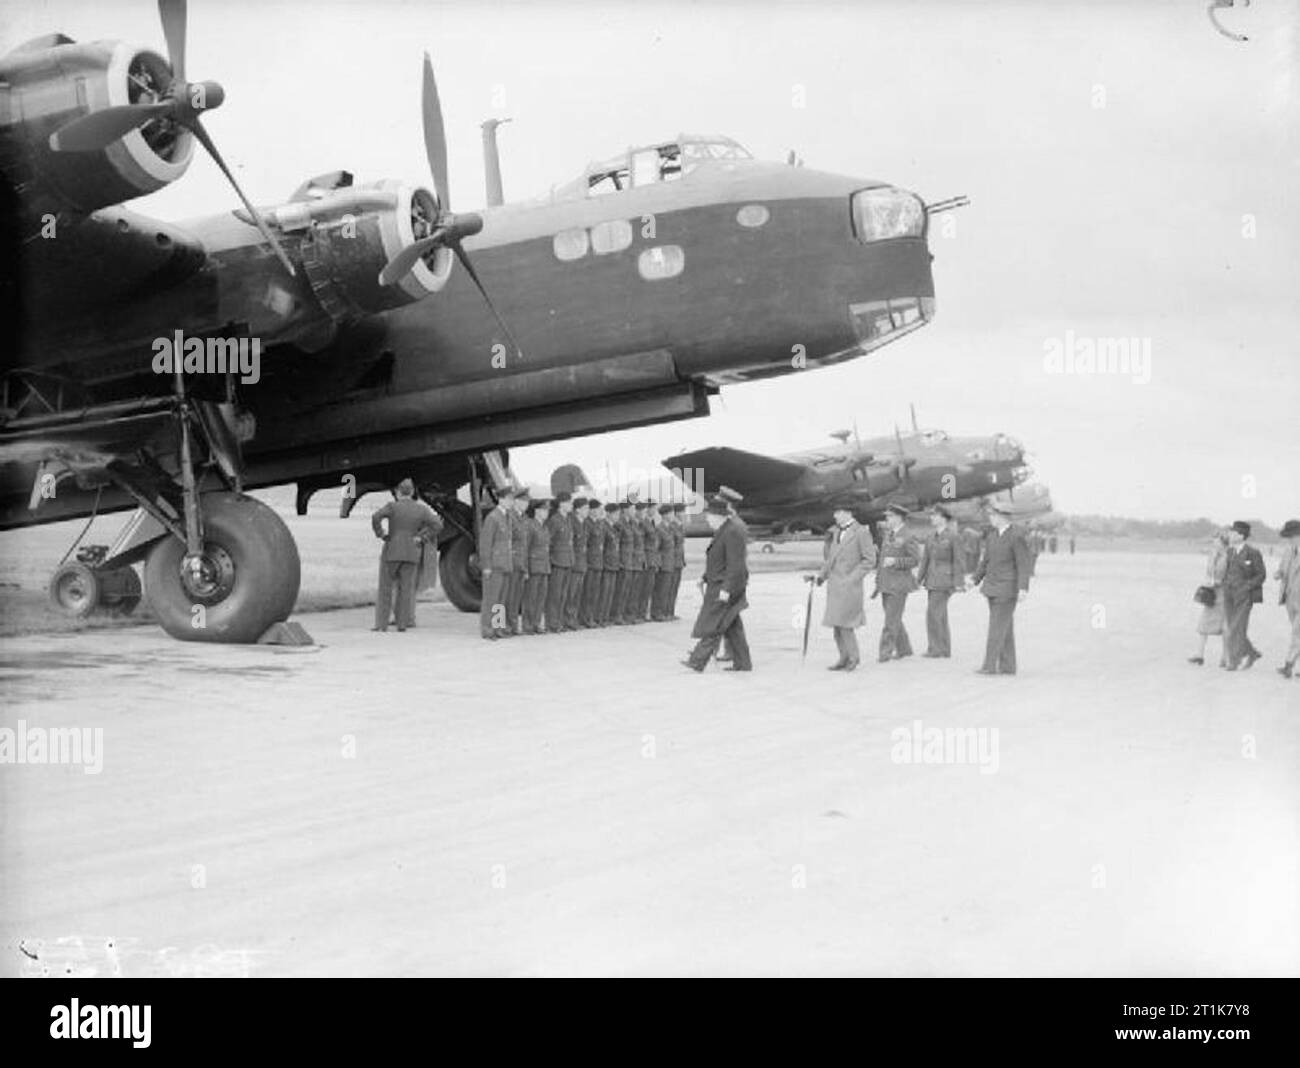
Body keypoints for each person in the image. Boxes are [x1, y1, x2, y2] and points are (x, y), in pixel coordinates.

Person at [683, 496, 751, 672]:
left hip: (725, 587)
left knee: (715, 623)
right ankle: (743, 663)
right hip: (720, 584)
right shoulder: (724, 530)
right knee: (732, 626)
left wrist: (726, 590)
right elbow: (719, 561)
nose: (707, 519)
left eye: (708, 516)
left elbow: (735, 564)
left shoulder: (732, 532)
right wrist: (704, 577)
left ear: (717, 516)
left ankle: (697, 661)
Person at [371, 478, 442, 632]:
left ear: (397, 492)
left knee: (385, 588)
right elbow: (437, 524)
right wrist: (422, 537)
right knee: (406, 589)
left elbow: (376, 517)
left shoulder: (392, 507)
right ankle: (402, 624)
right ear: (412, 492)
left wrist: (381, 533)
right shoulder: (421, 509)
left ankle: (381, 624)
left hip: (392, 550)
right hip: (411, 551)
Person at [972, 501, 1032, 675]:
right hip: (991, 587)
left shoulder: (1016, 536)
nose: (990, 518)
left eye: (993, 515)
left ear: (1002, 517)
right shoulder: (992, 536)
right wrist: (974, 580)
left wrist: (1023, 588)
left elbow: (1023, 564)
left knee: (996, 628)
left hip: (1007, 589)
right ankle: (1008, 666)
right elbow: (985, 562)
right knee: (1004, 628)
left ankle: (989, 666)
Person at [817, 504, 877, 671]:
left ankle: (853, 657)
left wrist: (852, 578)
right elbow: (831, 558)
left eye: (837, 513)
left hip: (850, 587)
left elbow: (869, 560)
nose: (835, 516)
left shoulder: (861, 532)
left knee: (846, 624)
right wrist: (820, 577)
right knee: (836, 624)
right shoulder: (836, 532)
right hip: (835, 586)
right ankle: (843, 658)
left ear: (847, 513)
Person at [875, 504, 919, 662]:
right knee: (893, 618)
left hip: (899, 584)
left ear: (899, 518)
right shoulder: (889, 534)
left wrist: (896, 561)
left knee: (890, 621)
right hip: (886, 583)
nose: (887, 519)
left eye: (890, 517)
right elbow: (882, 559)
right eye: (887, 517)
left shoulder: (908, 535)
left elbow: (915, 560)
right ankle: (905, 649)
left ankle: (884, 653)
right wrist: (878, 581)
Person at [917, 506, 962, 658]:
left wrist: (958, 582)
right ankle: (943, 649)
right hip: (931, 580)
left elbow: (958, 561)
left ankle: (936, 649)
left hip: (945, 580)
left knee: (933, 614)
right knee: (939, 615)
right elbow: (925, 560)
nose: (932, 518)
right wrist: (919, 579)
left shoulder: (953, 536)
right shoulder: (930, 537)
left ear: (943, 518)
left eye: (935, 516)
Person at [1222, 520, 1265, 670]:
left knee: (1235, 628)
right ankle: (1251, 653)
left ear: (1241, 536)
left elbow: (1261, 575)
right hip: (1228, 594)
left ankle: (1233, 661)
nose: (1230, 535)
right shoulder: (1229, 551)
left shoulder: (1253, 553)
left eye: (1233, 533)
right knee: (1233, 627)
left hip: (1244, 596)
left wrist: (1247, 587)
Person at [478, 487, 514, 639]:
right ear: (502, 499)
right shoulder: (493, 518)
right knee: (491, 599)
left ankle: (498, 627)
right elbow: (485, 543)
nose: (511, 502)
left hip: (504, 564)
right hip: (494, 565)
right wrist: (486, 566)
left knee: (500, 600)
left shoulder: (506, 517)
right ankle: (488, 629)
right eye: (510, 499)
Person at [1189, 529, 1229, 666]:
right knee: (1203, 625)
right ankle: (1199, 655)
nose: (1214, 542)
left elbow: (1229, 577)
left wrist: (1217, 582)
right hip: (1212, 595)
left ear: (1223, 542)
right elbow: (1210, 572)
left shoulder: (1229, 557)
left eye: (1216, 540)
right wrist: (1209, 582)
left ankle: (1225, 658)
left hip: (1224, 595)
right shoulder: (1213, 554)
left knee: (1225, 627)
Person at [545, 491, 575, 631]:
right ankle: (552, 623)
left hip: (567, 561)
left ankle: (560, 621)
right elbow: (548, 542)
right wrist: (551, 560)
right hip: (557, 562)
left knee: (563, 594)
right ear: (562, 504)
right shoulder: (554, 520)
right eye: (569, 502)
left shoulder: (567, 519)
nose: (571, 505)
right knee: (555, 595)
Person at [504, 486, 530, 635]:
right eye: (524, 501)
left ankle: (512, 626)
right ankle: (500, 626)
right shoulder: (509, 517)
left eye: (527, 501)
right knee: (505, 597)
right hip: (510, 562)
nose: (526, 504)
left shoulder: (523, 519)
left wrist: (525, 566)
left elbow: (524, 545)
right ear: (516, 502)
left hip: (520, 563)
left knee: (515, 598)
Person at [523, 497, 551, 634]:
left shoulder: (544, 527)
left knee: (541, 597)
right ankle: (528, 625)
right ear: (537, 511)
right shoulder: (530, 525)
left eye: (547, 510)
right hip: (533, 567)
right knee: (531, 597)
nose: (547, 513)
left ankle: (536, 623)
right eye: (544, 510)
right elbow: (526, 548)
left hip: (544, 567)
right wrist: (526, 569)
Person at [1276, 519, 1300, 678]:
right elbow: (1282, 569)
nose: (1289, 540)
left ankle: (1288, 664)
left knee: (1297, 633)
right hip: (1290, 598)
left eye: (1292, 536)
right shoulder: (1288, 551)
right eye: (1288, 537)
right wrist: (1279, 574)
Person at [565, 497, 590, 629]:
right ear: (578, 510)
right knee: (571, 593)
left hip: (581, 564)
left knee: (578, 594)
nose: (588, 511)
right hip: (573, 564)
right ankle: (568, 619)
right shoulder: (572, 522)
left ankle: (573, 618)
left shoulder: (584, 523)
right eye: (585, 508)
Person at [621, 501, 646, 624]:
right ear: (625, 510)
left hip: (635, 561)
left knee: (633, 590)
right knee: (624, 590)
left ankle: (631, 614)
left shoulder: (633, 524)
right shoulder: (620, 524)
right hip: (626, 562)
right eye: (632, 509)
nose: (634, 511)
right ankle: (622, 615)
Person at [582, 498, 605, 627]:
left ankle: (592, 617)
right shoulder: (587, 523)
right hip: (590, 562)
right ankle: (585, 618)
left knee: (595, 592)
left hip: (597, 562)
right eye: (596, 509)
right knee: (588, 592)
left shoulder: (598, 523)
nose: (599, 511)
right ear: (591, 510)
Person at [652, 504, 676, 620]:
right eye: (671, 513)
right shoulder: (659, 529)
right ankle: (657, 613)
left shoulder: (670, 528)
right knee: (660, 590)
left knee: (667, 589)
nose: (673, 515)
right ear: (665, 515)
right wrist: (658, 564)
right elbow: (656, 548)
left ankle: (665, 612)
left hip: (670, 563)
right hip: (663, 564)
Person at [600, 502, 623, 624]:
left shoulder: (614, 527)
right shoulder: (603, 526)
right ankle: (601, 617)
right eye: (615, 514)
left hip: (614, 563)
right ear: (608, 514)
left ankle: (606, 616)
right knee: (604, 592)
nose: (617, 516)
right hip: (606, 564)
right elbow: (602, 547)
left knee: (610, 592)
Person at [669, 503, 687, 619]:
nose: (684, 514)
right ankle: (665, 611)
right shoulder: (672, 526)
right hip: (672, 561)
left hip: (679, 561)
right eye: (683, 512)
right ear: (677, 513)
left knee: (675, 587)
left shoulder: (680, 526)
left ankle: (671, 611)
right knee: (669, 588)